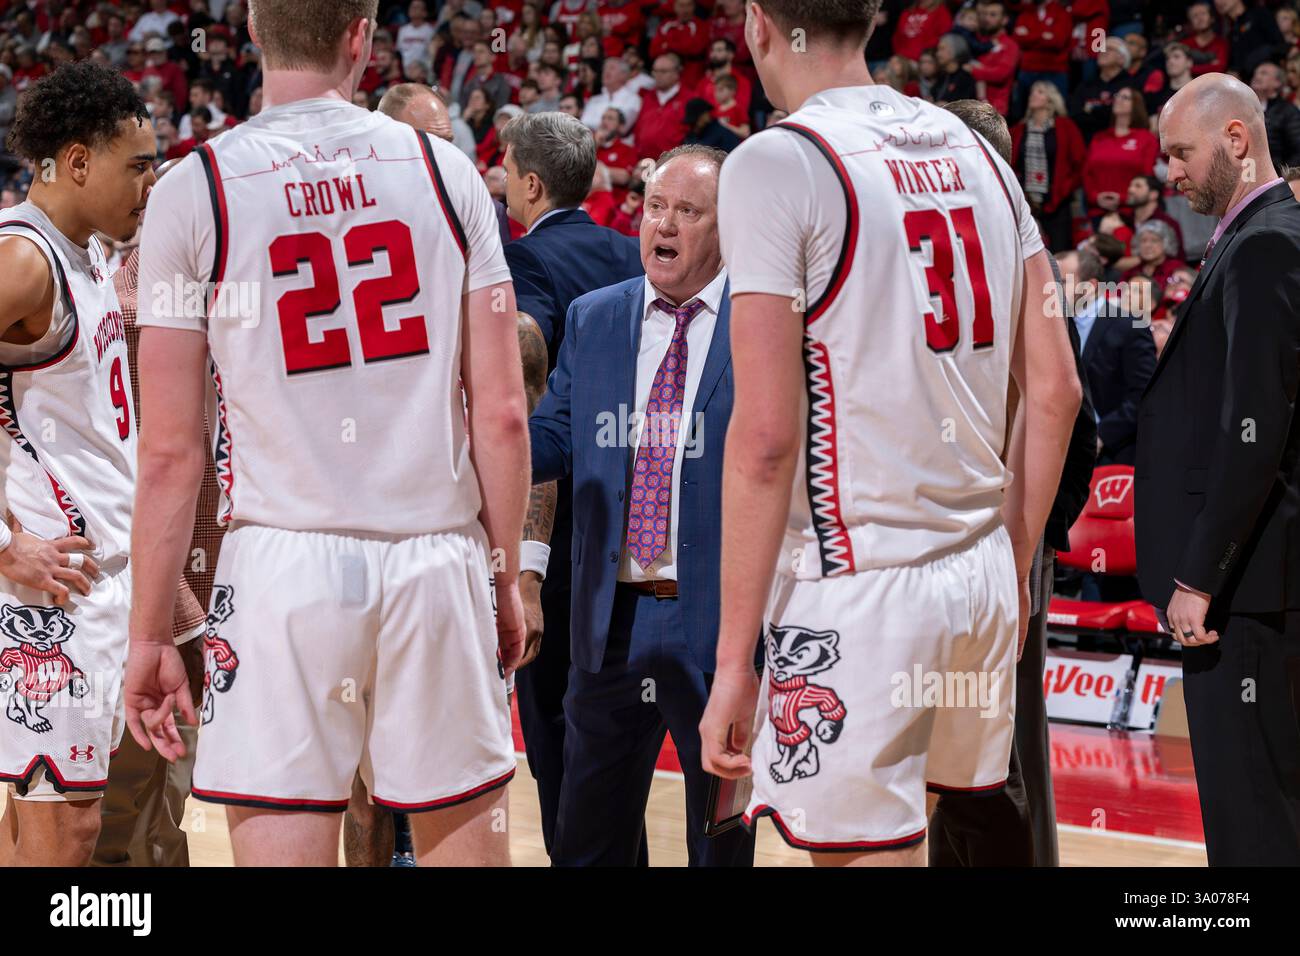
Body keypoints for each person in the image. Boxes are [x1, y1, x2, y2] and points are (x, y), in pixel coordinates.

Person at [129, 0, 528, 868]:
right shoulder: (447, 172)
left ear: (250, 29)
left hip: (283, 564)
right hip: (435, 552)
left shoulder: (193, 188)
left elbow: (169, 453)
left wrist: (150, 634)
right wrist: (501, 578)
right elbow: (499, 410)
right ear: (362, 35)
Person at [700, 0, 1080, 865]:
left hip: (859, 583)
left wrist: (733, 661)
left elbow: (764, 442)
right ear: (872, 19)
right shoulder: (979, 148)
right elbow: (1054, 390)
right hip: (980, 573)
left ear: (760, 23)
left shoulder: (776, 160)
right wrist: (1013, 572)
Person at [528, 144, 753, 866]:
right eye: (655, 205)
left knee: (720, 843)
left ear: (729, 227)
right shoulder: (596, 319)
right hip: (610, 623)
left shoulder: (762, 324)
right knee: (586, 842)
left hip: (713, 626)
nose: (664, 223)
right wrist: (476, 441)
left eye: (688, 211)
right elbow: (552, 439)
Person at [1137, 72, 1300, 866]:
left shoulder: (1266, 240)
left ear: (1236, 139)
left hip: (1246, 593)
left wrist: (1199, 574)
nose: (1170, 172)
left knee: (1253, 820)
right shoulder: (1250, 235)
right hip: (1252, 585)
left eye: (1180, 153)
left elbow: (1257, 432)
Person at [929, 99, 1096, 868]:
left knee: (1005, 754)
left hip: (1001, 543)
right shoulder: (947, 259)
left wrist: (1026, 543)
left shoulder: (1021, 268)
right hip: (949, 544)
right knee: (950, 745)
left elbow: (1073, 416)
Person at [0, 61, 156, 867]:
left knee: (41, 816)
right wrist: (2, 544)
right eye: (137, 164)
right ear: (78, 161)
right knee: (67, 828)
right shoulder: (23, 258)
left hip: (101, 577)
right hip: (51, 588)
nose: (149, 181)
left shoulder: (87, 251)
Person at [498, 111, 643, 858]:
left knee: (558, 738)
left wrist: (526, 560)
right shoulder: (632, 252)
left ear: (530, 182)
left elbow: (532, 384)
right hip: (637, 524)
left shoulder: (528, 262)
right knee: (619, 751)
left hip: (563, 529)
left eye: (505, 168)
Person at [91, 158, 213, 869]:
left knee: (164, 787)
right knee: (141, 784)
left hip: (197, 567)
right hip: (156, 576)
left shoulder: (214, 294)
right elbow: (144, 472)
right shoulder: (140, 303)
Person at [1010, 80, 1084, 252]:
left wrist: (1064, 189)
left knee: (1059, 251)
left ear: (1051, 99)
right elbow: (1010, 164)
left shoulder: (1065, 127)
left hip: (1057, 201)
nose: (1033, 94)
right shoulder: (1019, 130)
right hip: (1026, 202)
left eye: (1040, 92)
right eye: (1032, 91)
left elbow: (1079, 162)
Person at [1082, 88, 1158, 219]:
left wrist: (1124, 198)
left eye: (1125, 97)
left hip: (1131, 213)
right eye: (1117, 96)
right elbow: (1086, 173)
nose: (1118, 99)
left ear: (1136, 105)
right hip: (1097, 212)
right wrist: (1095, 197)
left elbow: (1147, 176)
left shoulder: (1146, 139)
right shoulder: (1099, 137)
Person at [633, 54, 690, 163]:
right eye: (655, 71)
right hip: (645, 162)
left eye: (663, 71)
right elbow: (638, 129)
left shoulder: (688, 98)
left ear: (676, 73)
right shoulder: (647, 97)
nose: (658, 75)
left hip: (674, 162)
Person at [966, 0, 1018, 117]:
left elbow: (1001, 74)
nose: (986, 18)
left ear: (1005, 20)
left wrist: (973, 70)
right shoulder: (974, 40)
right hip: (968, 106)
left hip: (994, 110)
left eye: (993, 15)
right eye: (984, 14)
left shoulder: (1010, 45)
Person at [1252, 61, 1300, 168]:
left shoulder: (1288, 111)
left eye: (1263, 73)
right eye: (1255, 73)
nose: (1257, 76)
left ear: (1277, 82)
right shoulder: (1243, 107)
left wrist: (1281, 177)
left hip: (1275, 178)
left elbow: (1298, 151)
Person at [580, 57, 642, 131]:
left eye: (611, 68)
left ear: (624, 75)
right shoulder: (594, 100)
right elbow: (583, 126)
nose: (606, 71)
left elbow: (621, 128)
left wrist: (594, 126)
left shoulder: (633, 99)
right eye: (605, 68)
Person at [931, 33, 976, 105]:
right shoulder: (942, 76)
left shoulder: (965, 77)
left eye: (942, 49)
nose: (937, 54)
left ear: (955, 50)